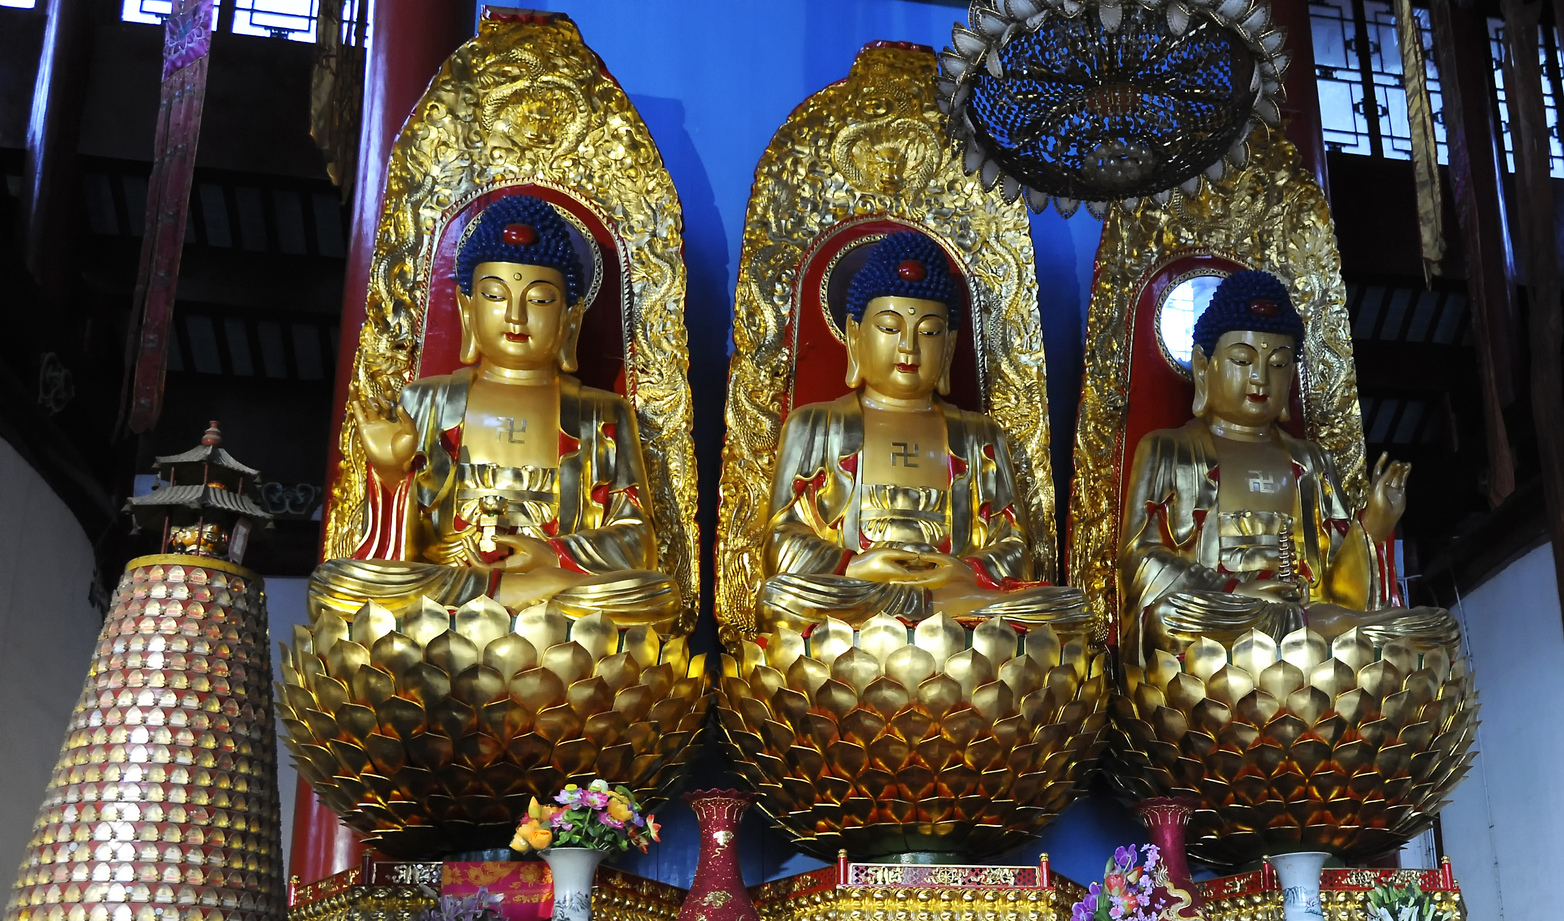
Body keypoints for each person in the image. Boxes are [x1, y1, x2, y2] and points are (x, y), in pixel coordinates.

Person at [311, 193, 688, 626]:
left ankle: (511, 596)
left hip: (551, 592)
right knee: (338, 582)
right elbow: (392, 554)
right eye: (494, 295)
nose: (515, 314)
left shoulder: (602, 413)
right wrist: (392, 475)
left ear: (571, 319)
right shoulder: (424, 400)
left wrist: (554, 556)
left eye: (540, 300)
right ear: (467, 310)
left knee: (654, 593)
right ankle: (506, 597)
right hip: (451, 582)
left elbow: (636, 541)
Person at [1117, 268, 1455, 663]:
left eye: (1277, 364)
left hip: (1311, 617)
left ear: (1292, 376)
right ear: (1203, 367)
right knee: (1170, 618)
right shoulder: (1168, 449)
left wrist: (1378, 520)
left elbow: (1340, 586)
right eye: (1242, 360)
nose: (1260, 378)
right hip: (1219, 623)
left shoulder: (1312, 461)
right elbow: (1139, 558)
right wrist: (1233, 591)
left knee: (1429, 627)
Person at [759, 230, 1088, 633]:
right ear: (855, 335)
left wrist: (962, 570)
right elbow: (781, 541)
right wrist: (857, 565)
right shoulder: (815, 425)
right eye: (890, 327)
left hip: (955, 598)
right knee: (780, 597)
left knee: (1065, 607)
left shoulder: (979, 435)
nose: (909, 347)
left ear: (949, 347)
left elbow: (1016, 549)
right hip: (855, 598)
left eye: (929, 332)